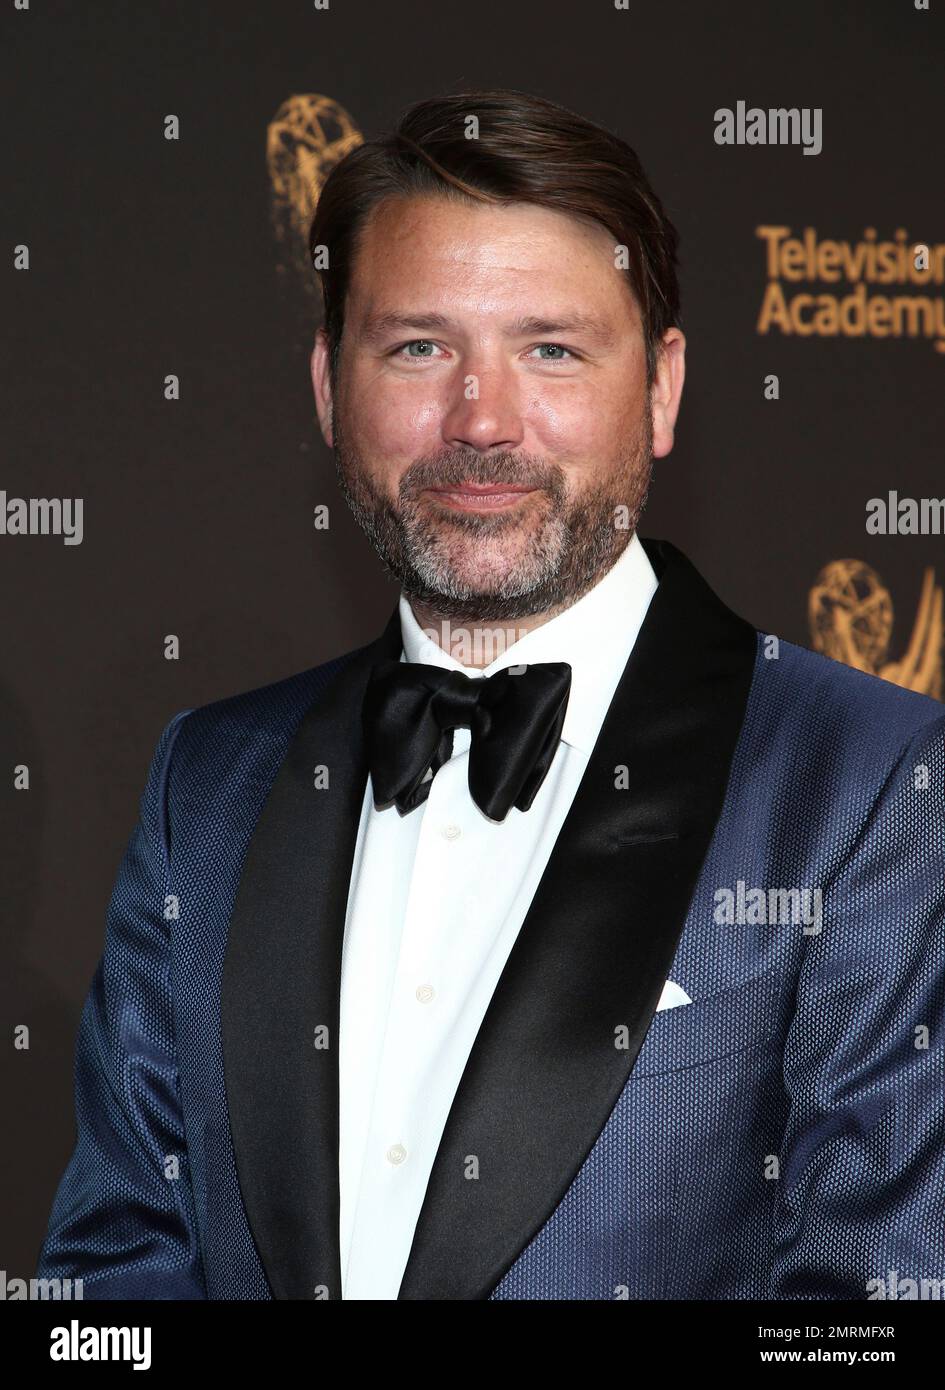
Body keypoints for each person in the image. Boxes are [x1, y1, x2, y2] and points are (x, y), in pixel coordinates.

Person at [37, 88, 945, 1301]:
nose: (482, 419)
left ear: (663, 390)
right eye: (419, 347)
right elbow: (111, 1282)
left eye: (551, 349)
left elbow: (870, 1307)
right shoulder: (205, 781)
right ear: (326, 386)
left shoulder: (869, 781)